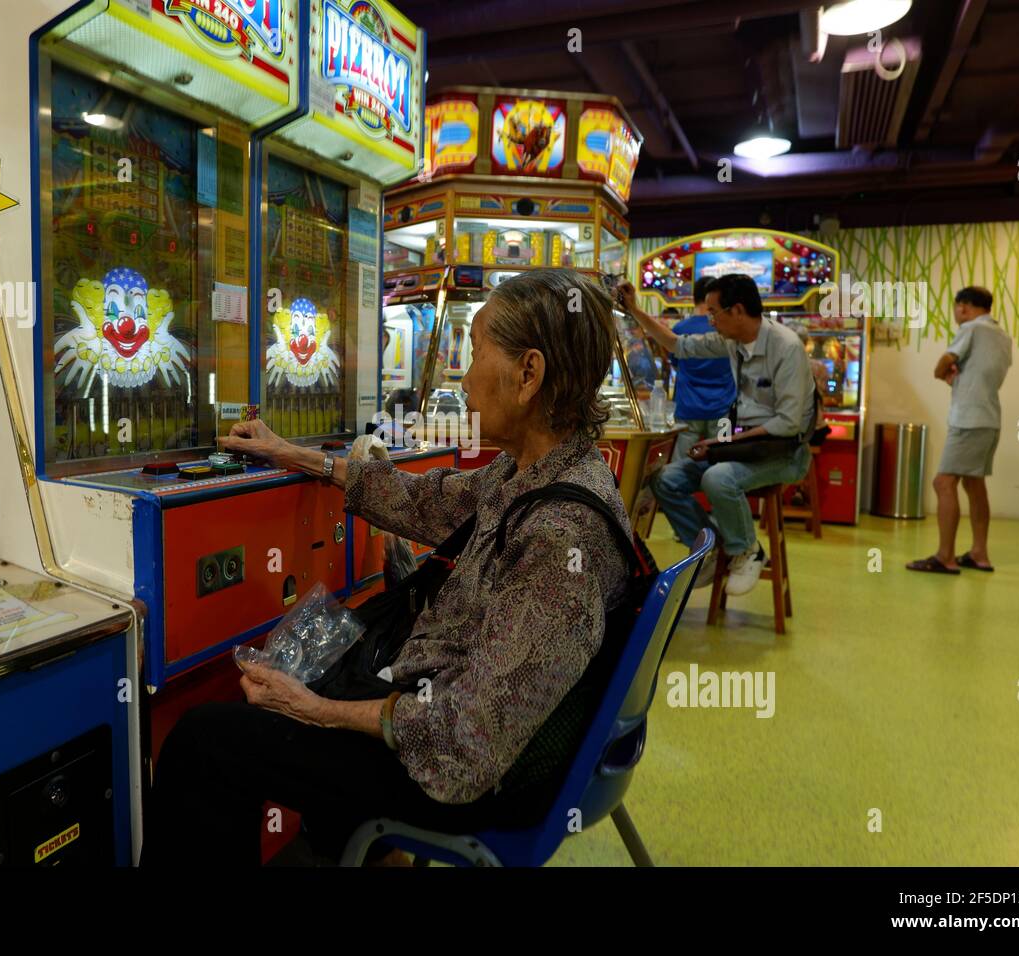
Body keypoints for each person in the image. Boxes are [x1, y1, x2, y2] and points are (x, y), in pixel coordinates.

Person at [142, 269, 643, 867]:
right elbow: (428, 501)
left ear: (528, 374)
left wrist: (315, 710)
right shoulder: (540, 473)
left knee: (205, 742)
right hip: (457, 722)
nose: (464, 374)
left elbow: (469, 740)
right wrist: (294, 455)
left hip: (470, 777)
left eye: (477, 350)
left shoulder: (561, 535)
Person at [618, 274, 814, 595]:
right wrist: (635, 310)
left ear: (737, 310)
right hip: (743, 447)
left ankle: (747, 550)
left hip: (784, 452)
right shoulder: (731, 341)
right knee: (664, 479)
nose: (709, 320)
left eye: (713, 312)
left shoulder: (786, 348)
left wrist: (721, 443)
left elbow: (788, 423)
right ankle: (711, 547)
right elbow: (677, 344)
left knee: (718, 478)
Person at [907, 286, 1012, 575]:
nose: (956, 313)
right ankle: (979, 553)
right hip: (990, 418)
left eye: (956, 308)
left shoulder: (971, 329)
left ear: (963, 307)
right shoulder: (1003, 336)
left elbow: (945, 361)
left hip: (969, 419)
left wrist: (942, 373)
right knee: (973, 484)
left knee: (943, 483)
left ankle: (945, 557)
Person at [667, 276, 737, 460]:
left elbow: (674, 363)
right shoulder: (726, 329)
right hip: (724, 409)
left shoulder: (680, 329)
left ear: (693, 297)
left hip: (688, 408)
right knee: (723, 461)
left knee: (681, 467)